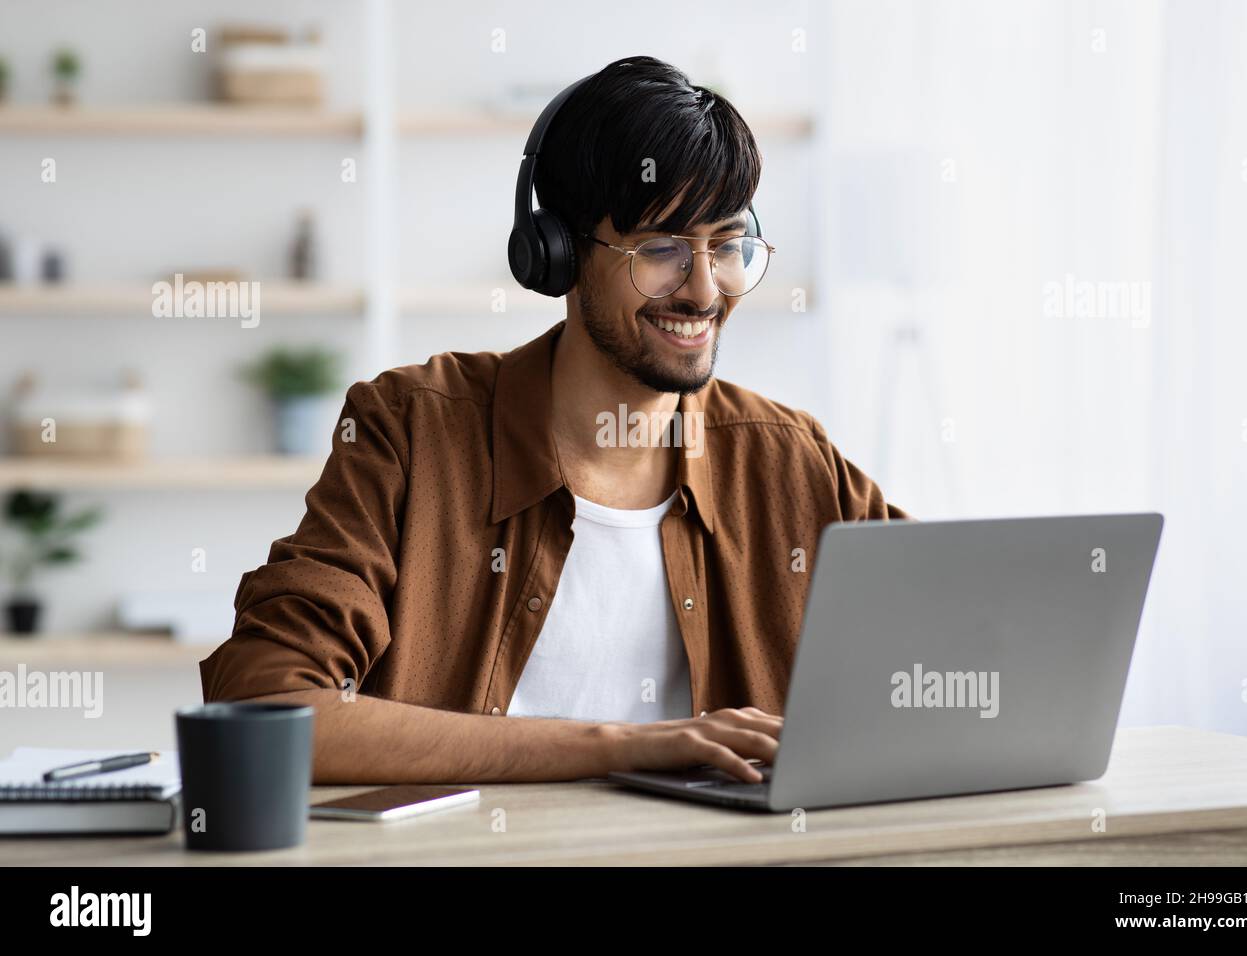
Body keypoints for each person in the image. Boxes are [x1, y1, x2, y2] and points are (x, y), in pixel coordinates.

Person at [200, 56, 910, 785]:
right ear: (558, 253)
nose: (704, 291)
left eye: (726, 248)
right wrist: (623, 744)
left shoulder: (788, 459)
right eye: (661, 249)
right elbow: (266, 711)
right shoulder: (411, 429)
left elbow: (969, 649)